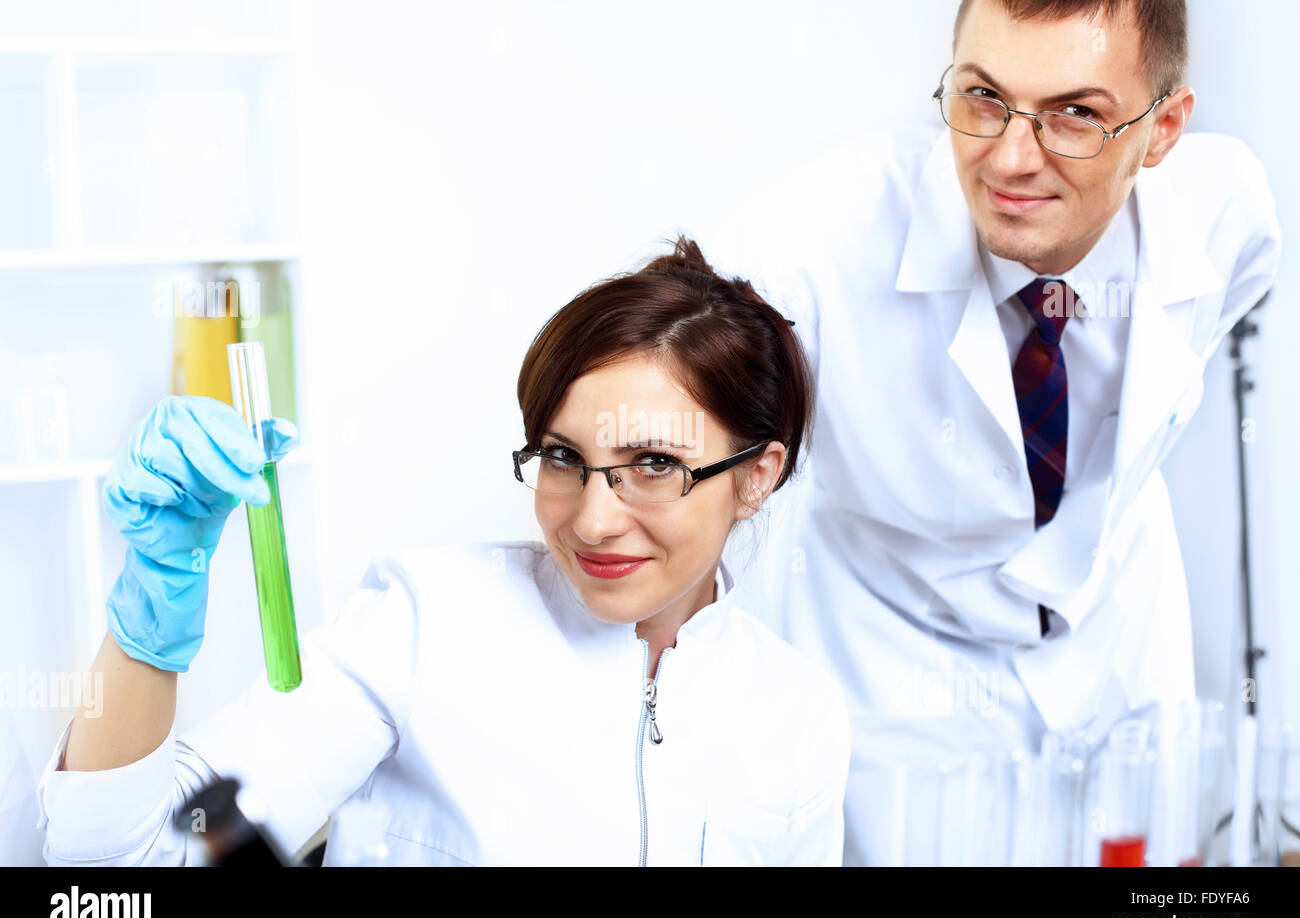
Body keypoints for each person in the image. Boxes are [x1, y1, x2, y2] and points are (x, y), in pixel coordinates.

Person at [36, 237, 850, 867]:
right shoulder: (426, 626)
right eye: (563, 457)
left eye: (654, 464)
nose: (594, 521)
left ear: (757, 477)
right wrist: (148, 621)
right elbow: (131, 866)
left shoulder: (798, 716)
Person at [699, 0, 1282, 864]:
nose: (1012, 158)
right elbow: (682, 444)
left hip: (1120, 666)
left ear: (1162, 131)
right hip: (894, 685)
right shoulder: (815, 243)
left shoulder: (1225, 212)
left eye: (1076, 114)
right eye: (982, 98)